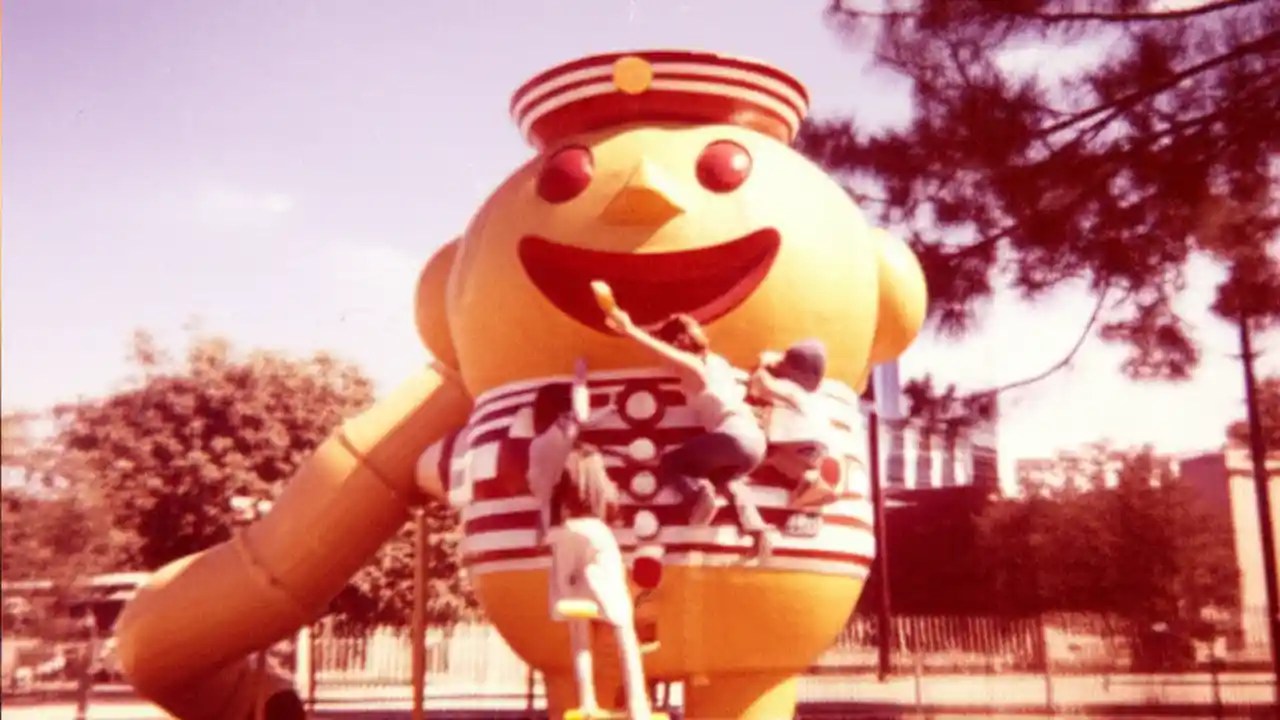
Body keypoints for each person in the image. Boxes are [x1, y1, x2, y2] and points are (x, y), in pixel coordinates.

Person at [526, 375, 651, 720]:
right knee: (621, 620)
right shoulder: (589, 458)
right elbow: (610, 502)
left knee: (578, 623)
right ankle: (638, 704)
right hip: (594, 531)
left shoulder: (544, 452)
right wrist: (582, 379)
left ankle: (587, 701)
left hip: (561, 535)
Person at [603, 309, 774, 558]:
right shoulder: (718, 363)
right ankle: (756, 527)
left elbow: (663, 351)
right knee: (725, 481)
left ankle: (698, 496)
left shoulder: (695, 366)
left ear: (680, 341)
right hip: (754, 445)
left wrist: (630, 330)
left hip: (732, 437)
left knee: (671, 462)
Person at [749, 339, 837, 508]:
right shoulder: (817, 398)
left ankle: (810, 481)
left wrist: (763, 366)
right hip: (814, 449)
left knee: (760, 455)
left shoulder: (788, 388)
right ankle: (810, 479)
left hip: (795, 449)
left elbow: (758, 386)